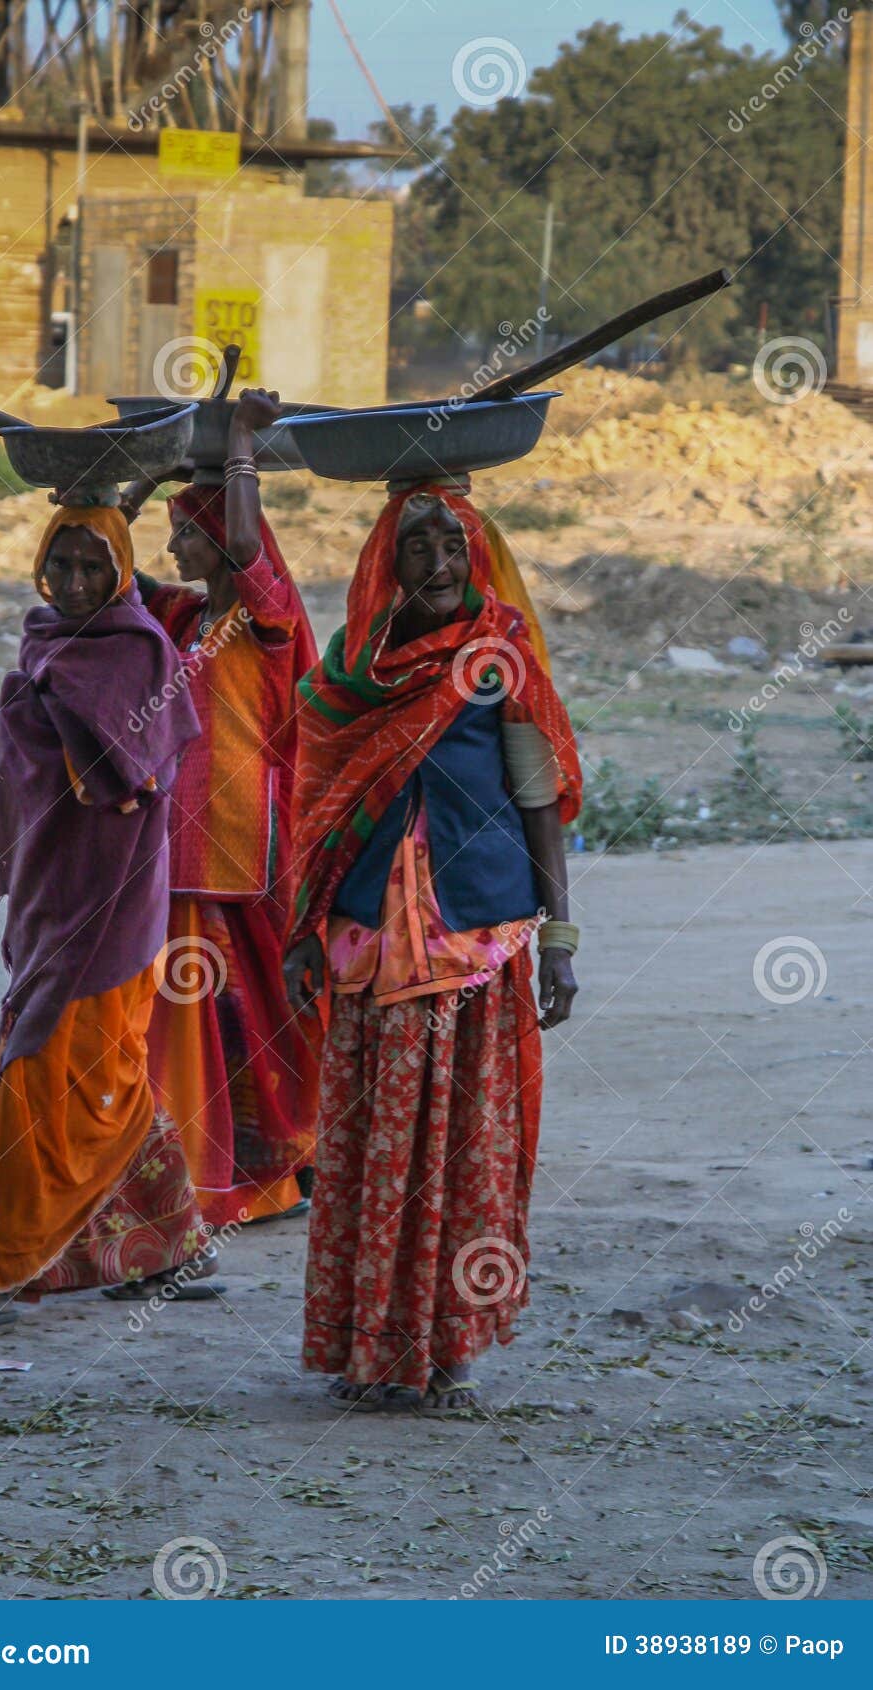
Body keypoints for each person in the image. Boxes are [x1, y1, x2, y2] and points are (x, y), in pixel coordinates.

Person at [283, 482, 582, 1413]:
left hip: (472, 936)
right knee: (368, 1148)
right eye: (419, 549)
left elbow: (538, 797)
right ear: (385, 563)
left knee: (463, 1151)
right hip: (369, 938)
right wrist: (303, 934)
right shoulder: (349, 673)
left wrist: (561, 940)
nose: (441, 566)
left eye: (455, 547)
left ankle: (447, 1350)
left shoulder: (500, 659)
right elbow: (318, 812)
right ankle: (366, 1345)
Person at [0, 504, 206, 1333]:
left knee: (44, 1066)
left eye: (94, 566)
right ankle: (162, 1243)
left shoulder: (135, 649)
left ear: (121, 570)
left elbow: (130, 775)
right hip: (53, 894)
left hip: (113, 899)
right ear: (42, 568)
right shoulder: (44, 640)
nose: (76, 583)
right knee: (105, 1076)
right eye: (63, 565)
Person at [124, 388, 319, 1241]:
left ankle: (271, 1162)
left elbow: (245, 542)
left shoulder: (261, 609)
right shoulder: (175, 612)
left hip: (245, 843)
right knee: (186, 1018)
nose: (176, 545)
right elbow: (102, 576)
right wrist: (121, 489)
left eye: (186, 531)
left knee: (255, 1011)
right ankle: (194, 1163)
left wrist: (239, 444)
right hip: (178, 846)